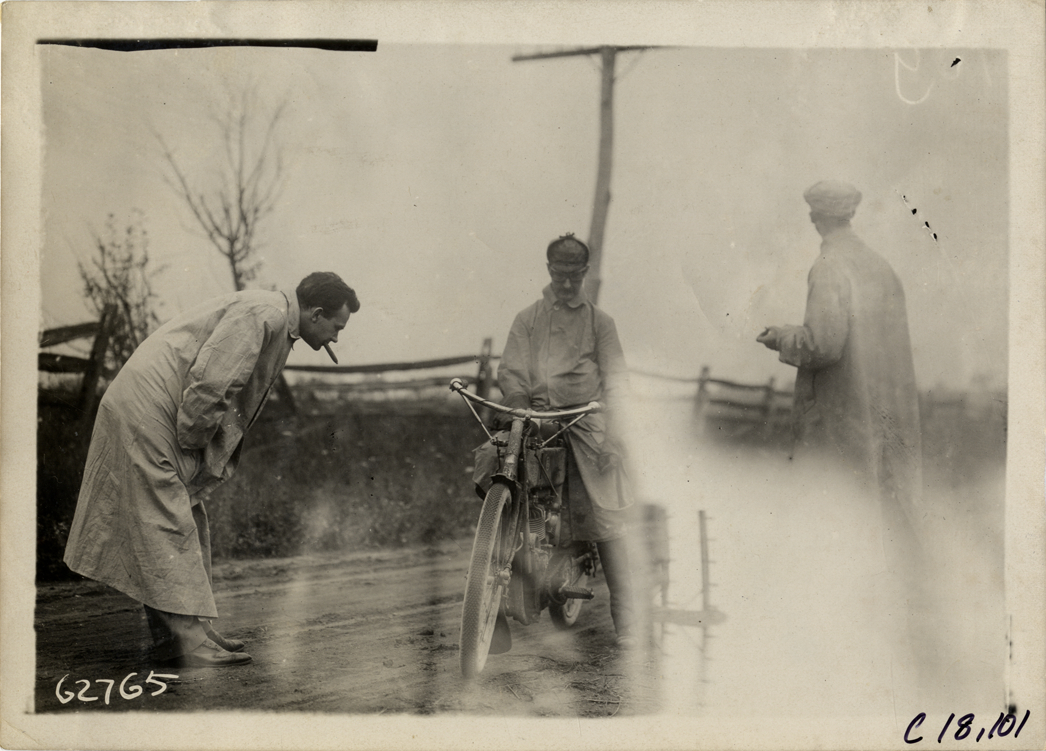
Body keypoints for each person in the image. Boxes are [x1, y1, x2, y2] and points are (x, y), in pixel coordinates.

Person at [64, 272, 360, 668]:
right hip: (148, 412)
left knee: (183, 515)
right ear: (317, 313)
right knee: (168, 521)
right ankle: (187, 643)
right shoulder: (264, 314)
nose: (335, 339)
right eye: (336, 328)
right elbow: (212, 382)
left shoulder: (276, 316)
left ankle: (190, 631)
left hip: (155, 411)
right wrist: (193, 440)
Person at [474, 234, 637, 648]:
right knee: (495, 466)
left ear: (585, 273)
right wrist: (518, 404)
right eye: (559, 275)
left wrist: (614, 438)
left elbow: (617, 382)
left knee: (604, 510)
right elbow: (511, 370)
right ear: (549, 270)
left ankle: (628, 618)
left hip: (584, 419)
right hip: (533, 414)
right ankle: (490, 614)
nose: (566, 284)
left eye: (574, 276)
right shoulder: (528, 318)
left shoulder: (600, 323)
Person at [757, 180, 923, 577]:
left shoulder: (830, 265)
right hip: (885, 416)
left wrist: (781, 335)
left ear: (816, 217)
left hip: (843, 415)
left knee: (836, 526)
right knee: (882, 523)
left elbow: (823, 345)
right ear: (849, 215)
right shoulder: (880, 267)